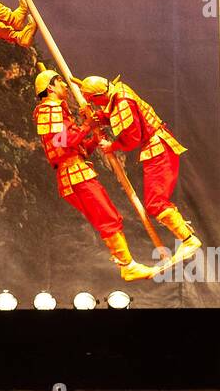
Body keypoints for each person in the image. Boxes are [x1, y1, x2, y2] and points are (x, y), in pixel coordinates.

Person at [33, 67, 155, 282]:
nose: (64, 85)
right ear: (50, 87)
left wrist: (94, 138)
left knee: (109, 216)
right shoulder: (49, 109)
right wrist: (87, 125)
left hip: (78, 168)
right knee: (106, 217)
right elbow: (62, 141)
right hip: (74, 174)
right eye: (59, 82)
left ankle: (128, 264)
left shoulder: (59, 111)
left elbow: (74, 147)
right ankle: (128, 266)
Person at [77, 74, 201, 265]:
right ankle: (186, 239)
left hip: (158, 148)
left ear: (100, 95)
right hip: (155, 148)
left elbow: (132, 135)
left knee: (156, 202)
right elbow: (113, 115)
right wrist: (97, 118)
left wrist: (113, 146)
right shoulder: (118, 93)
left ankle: (188, 240)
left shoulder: (123, 102)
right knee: (155, 203)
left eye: (92, 100)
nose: (93, 104)